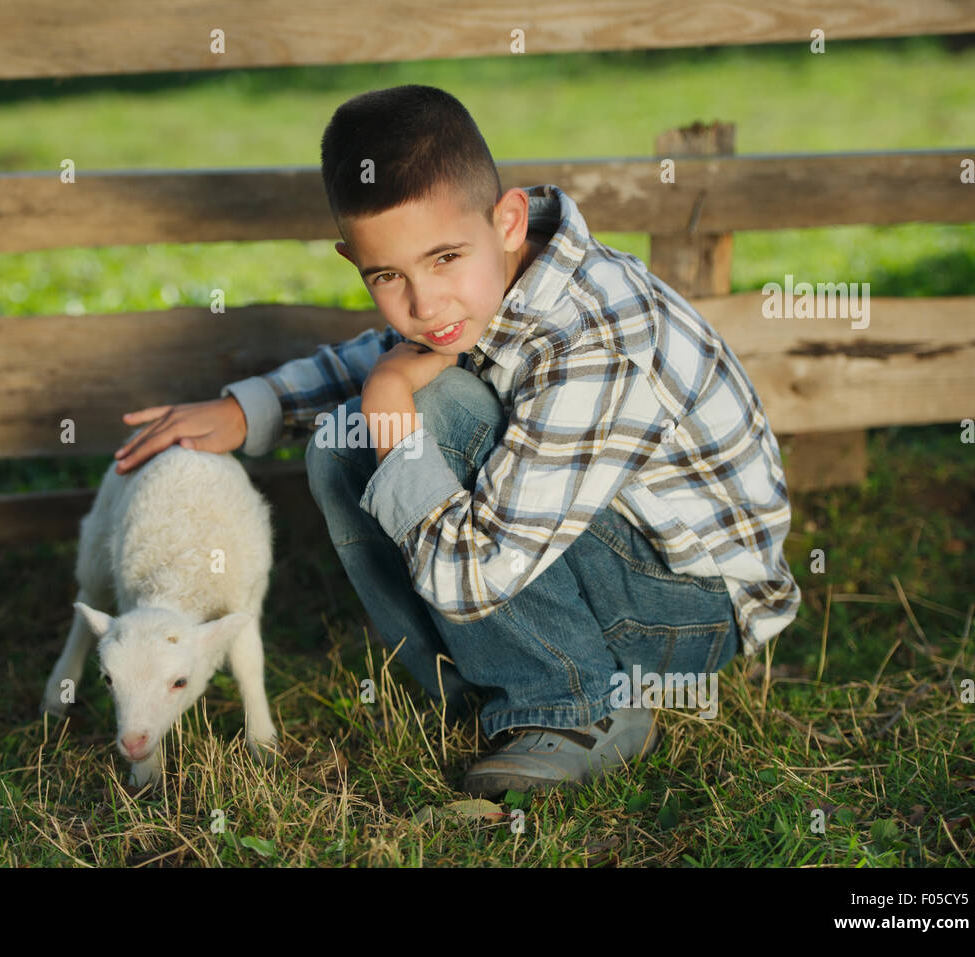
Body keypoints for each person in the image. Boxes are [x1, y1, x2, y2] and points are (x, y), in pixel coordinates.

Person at [112, 84, 801, 797]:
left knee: (420, 408)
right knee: (341, 444)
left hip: (687, 613)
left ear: (507, 220)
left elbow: (471, 574)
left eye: (444, 258)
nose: (425, 303)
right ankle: (476, 686)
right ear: (354, 259)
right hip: (585, 560)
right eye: (388, 275)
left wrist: (387, 399)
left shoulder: (593, 339)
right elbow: (382, 350)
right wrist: (249, 407)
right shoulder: (488, 285)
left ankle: (579, 705)